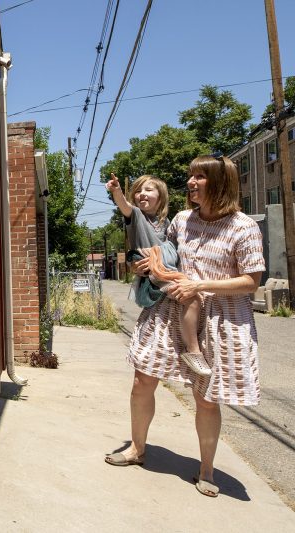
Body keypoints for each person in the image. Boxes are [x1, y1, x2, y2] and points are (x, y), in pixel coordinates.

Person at [104, 155, 265, 499]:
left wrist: (200, 286)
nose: (190, 182)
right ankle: (137, 448)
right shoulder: (181, 220)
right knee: (141, 380)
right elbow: (164, 255)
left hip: (219, 319)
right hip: (170, 310)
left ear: (221, 183)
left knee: (204, 398)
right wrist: (143, 267)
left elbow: (251, 281)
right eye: (191, 176)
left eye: (200, 177)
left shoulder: (244, 227)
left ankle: (206, 469)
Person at [105, 173, 211, 376]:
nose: (141, 194)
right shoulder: (136, 215)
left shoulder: (167, 222)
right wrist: (117, 191)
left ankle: (187, 344)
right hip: (157, 272)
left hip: (166, 270)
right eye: (138, 191)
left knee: (190, 301)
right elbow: (125, 206)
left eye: (148, 190)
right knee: (192, 298)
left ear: (161, 197)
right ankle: (193, 350)